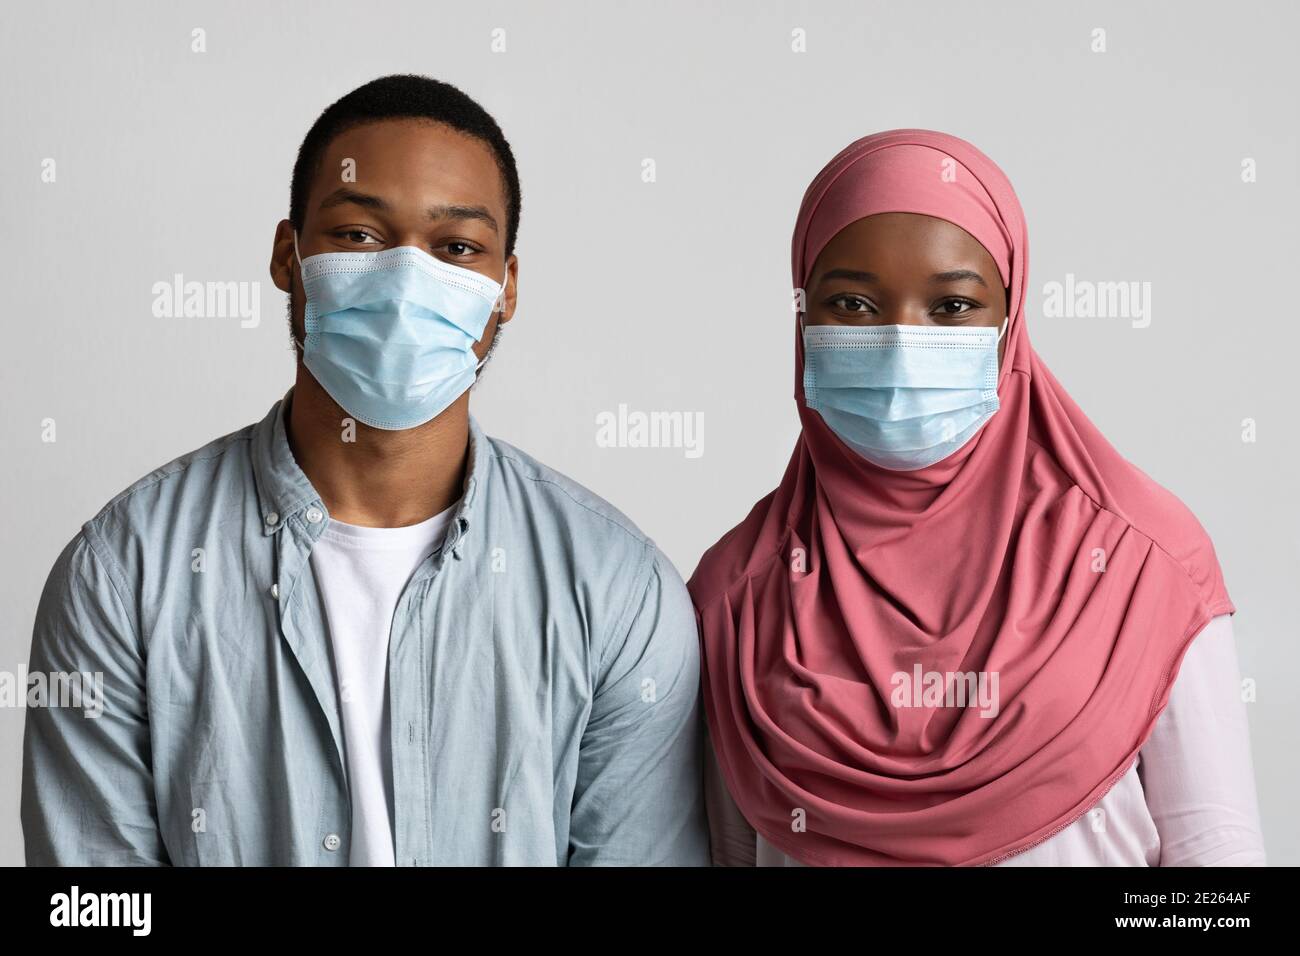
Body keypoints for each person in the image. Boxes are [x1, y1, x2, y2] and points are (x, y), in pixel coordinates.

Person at [22, 74, 708, 867]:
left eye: (456, 248)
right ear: (289, 256)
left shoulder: (619, 590)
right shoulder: (122, 573)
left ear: (505, 289)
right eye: (358, 236)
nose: (406, 279)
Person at [689, 129, 1266, 866]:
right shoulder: (734, 598)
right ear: (804, 319)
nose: (901, 342)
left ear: (1010, 319)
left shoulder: (1141, 565)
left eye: (953, 306)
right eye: (854, 303)